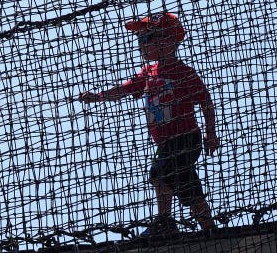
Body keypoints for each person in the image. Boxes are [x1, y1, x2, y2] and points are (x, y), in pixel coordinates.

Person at [79, 12, 221, 235]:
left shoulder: (183, 72)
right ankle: (208, 228)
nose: (141, 45)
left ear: (167, 40)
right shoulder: (148, 73)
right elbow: (124, 89)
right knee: (184, 184)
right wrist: (99, 97)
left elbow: (206, 102)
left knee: (159, 172)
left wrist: (210, 134)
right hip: (166, 143)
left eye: (147, 39)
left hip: (186, 138)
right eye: (140, 40)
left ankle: (165, 221)